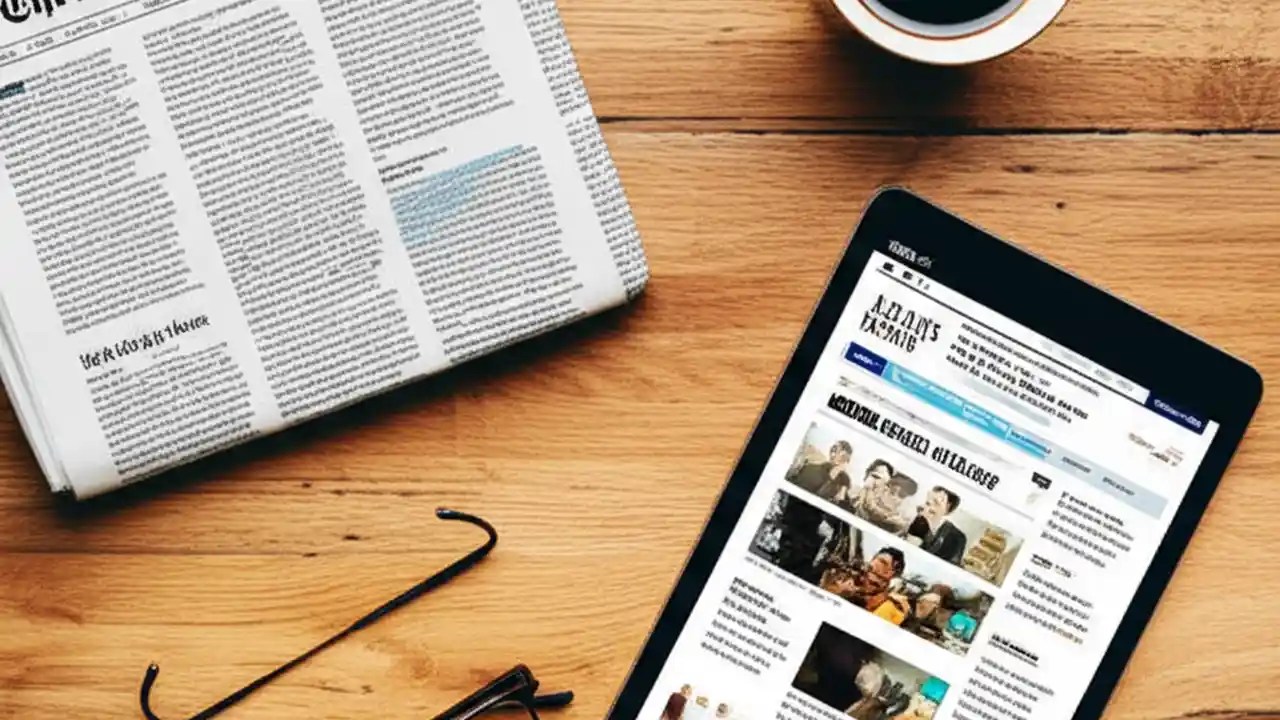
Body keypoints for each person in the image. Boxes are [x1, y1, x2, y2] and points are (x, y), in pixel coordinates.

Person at [906, 487, 967, 565]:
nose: (929, 507)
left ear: (948, 508)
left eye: (936, 503)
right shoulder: (916, 520)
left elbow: (951, 566)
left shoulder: (957, 537)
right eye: (928, 503)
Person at [787, 439, 855, 502]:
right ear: (832, 453)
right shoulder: (810, 468)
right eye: (842, 456)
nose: (844, 461)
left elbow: (842, 500)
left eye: (846, 458)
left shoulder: (845, 479)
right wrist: (831, 478)